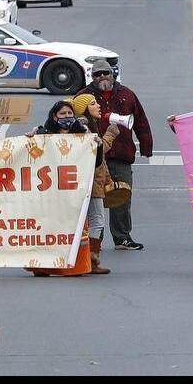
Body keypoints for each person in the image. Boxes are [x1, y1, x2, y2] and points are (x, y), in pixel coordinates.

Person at [78, 59, 152, 251]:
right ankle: (95, 240)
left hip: (121, 154)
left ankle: (122, 238)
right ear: (92, 77)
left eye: (105, 73)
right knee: (92, 201)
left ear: (113, 74)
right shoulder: (83, 97)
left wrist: (146, 146)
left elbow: (141, 121)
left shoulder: (127, 95)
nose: (102, 76)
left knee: (122, 196)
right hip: (92, 159)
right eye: (97, 74)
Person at [27, 100, 99, 277]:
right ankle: (42, 266)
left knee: (73, 229)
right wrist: (29, 141)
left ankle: (75, 266)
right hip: (50, 191)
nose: (67, 117)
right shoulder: (43, 133)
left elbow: (95, 163)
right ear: (54, 116)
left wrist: (97, 145)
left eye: (69, 113)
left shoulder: (83, 134)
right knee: (49, 228)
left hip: (73, 192)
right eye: (62, 114)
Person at [72, 93, 121, 274]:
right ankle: (92, 259)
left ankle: (87, 258)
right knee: (97, 221)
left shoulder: (87, 125)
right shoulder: (85, 127)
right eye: (93, 103)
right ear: (85, 109)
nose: (98, 106)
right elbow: (97, 154)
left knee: (89, 221)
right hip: (89, 182)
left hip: (91, 180)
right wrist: (110, 135)